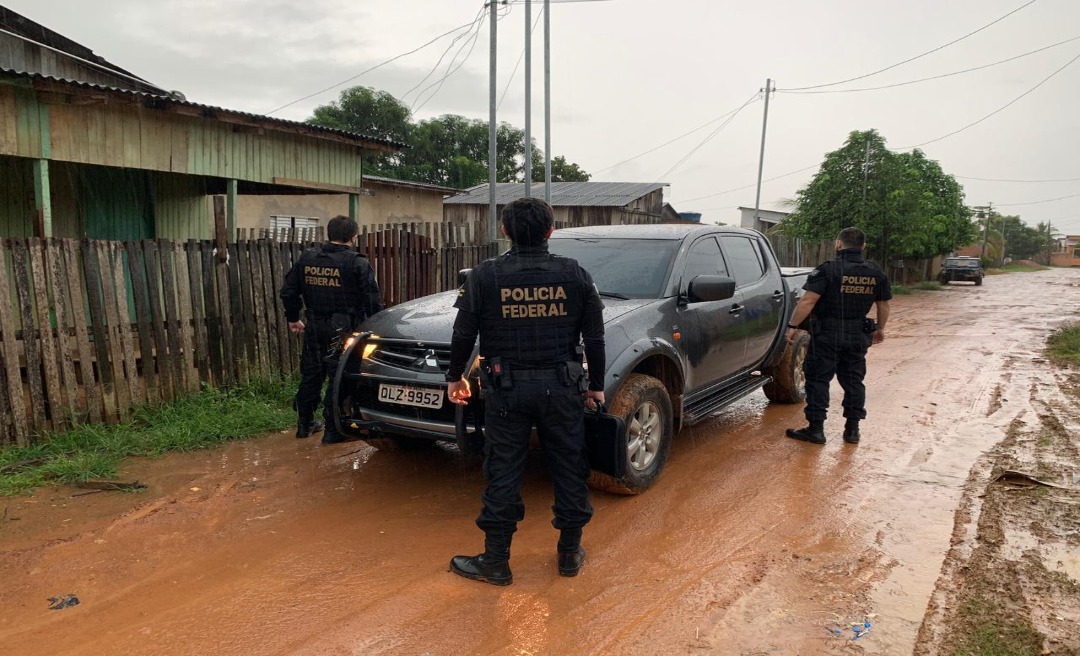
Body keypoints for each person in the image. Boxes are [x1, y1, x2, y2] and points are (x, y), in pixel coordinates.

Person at [445, 197, 606, 586]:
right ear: (550, 231)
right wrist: (597, 387)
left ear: (505, 231)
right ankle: (569, 554)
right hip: (562, 389)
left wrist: (455, 376)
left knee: (503, 469)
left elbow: (463, 333)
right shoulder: (576, 274)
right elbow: (595, 337)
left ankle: (495, 561)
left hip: (506, 391)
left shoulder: (484, 275)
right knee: (569, 466)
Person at [784, 226, 891, 445]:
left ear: (839, 244)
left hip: (827, 335)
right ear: (863, 246)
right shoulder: (875, 272)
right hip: (857, 335)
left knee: (818, 380)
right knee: (854, 382)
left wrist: (792, 325)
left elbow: (808, 300)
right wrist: (880, 328)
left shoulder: (828, 269)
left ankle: (816, 430)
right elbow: (884, 304)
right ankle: (852, 431)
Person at [281, 215, 382, 445]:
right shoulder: (357, 263)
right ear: (353, 237)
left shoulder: (308, 258)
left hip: (315, 325)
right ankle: (333, 431)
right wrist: (374, 329)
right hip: (345, 329)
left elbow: (288, 291)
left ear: (329, 234)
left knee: (312, 374)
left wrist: (293, 318)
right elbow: (372, 301)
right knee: (339, 376)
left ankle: (304, 424)